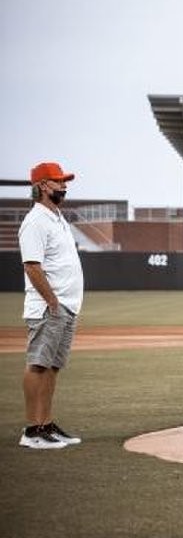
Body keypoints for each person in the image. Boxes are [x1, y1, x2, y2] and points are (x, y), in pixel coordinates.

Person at [17, 162, 85, 449]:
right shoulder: (35, 221)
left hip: (66, 306)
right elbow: (32, 266)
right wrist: (52, 300)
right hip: (50, 307)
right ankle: (32, 430)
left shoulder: (57, 218)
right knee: (38, 364)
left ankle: (46, 424)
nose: (64, 186)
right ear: (43, 185)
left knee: (52, 367)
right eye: (59, 181)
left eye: (64, 181)